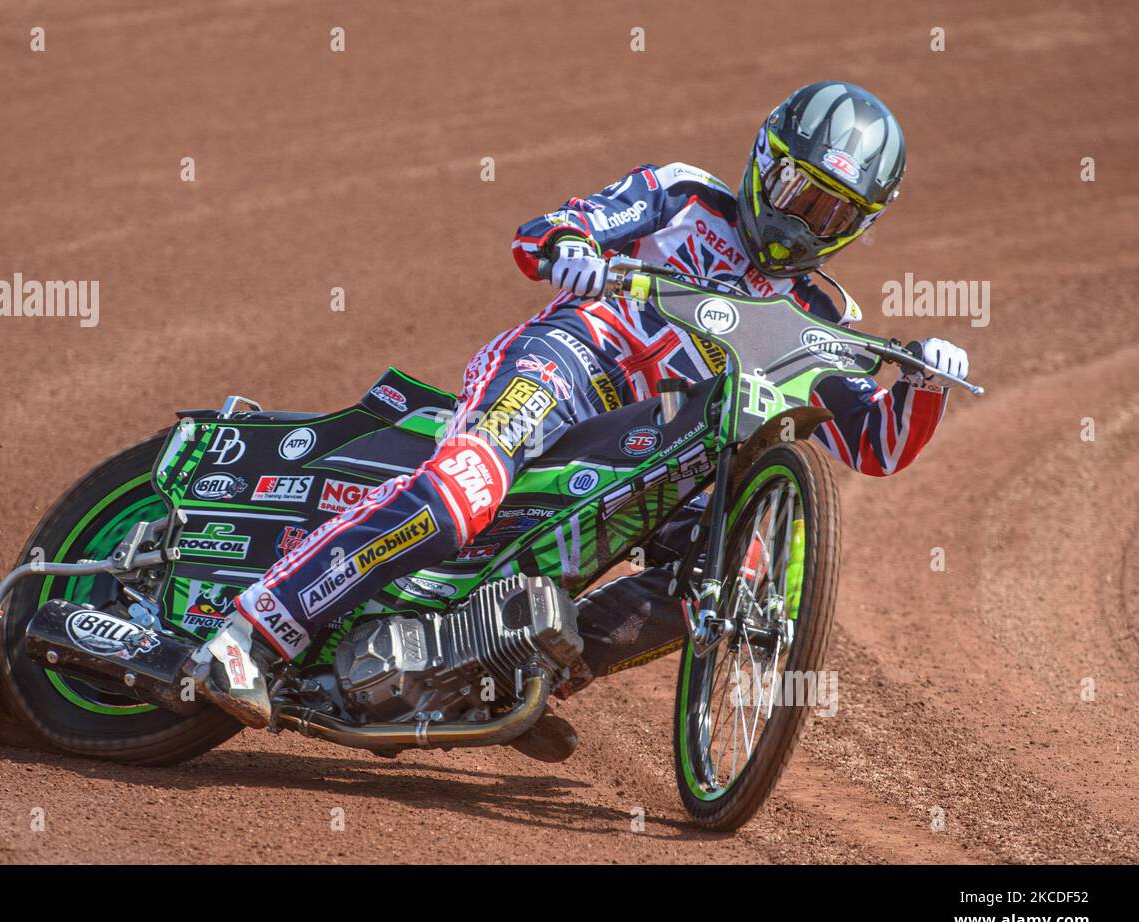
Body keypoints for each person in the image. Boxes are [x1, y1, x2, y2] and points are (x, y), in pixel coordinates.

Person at [193, 80, 970, 733]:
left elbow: (878, 445)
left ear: (859, 228)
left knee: (715, 564)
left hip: (653, 444)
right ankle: (254, 628)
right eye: (798, 188)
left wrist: (924, 381)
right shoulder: (682, 195)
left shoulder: (818, 317)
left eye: (829, 213)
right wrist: (573, 247)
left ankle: (526, 672)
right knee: (463, 494)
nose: (801, 220)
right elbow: (549, 231)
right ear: (765, 161)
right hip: (567, 364)